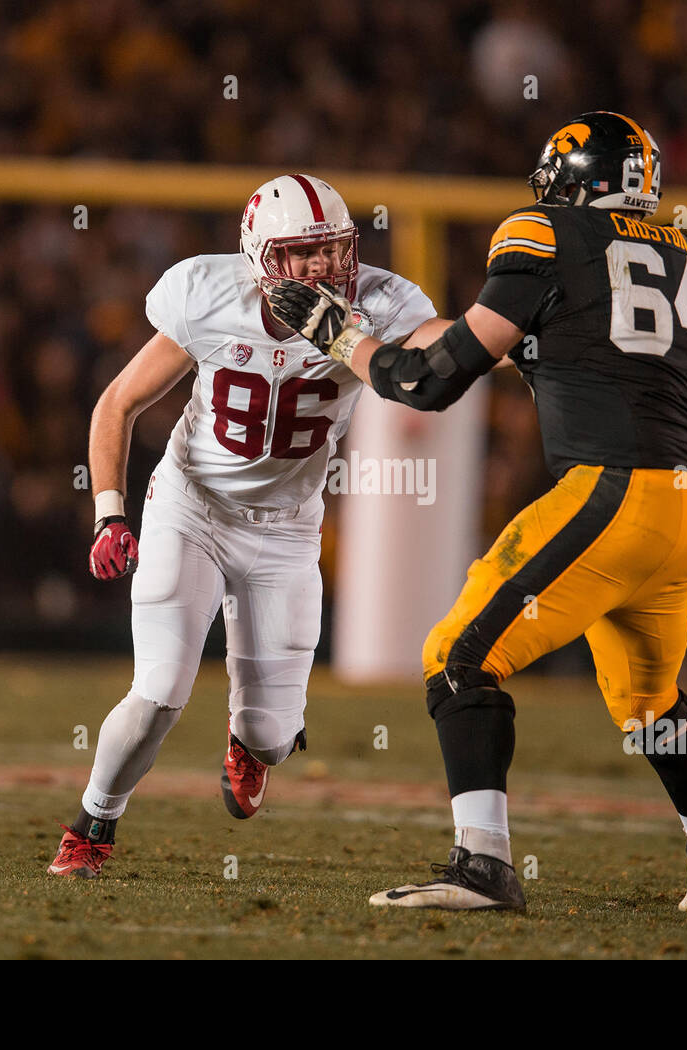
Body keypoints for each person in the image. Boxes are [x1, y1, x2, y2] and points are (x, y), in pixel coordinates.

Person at [270, 113, 687, 913]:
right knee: (648, 703)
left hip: (614, 491)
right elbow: (564, 346)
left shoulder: (542, 231)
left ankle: (483, 866)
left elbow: (429, 385)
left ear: (573, 180)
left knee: (457, 655)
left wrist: (344, 339)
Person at [47, 174, 442, 878]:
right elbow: (119, 403)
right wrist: (110, 512)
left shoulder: (381, 303)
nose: (325, 269)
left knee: (271, 736)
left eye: (334, 250)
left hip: (288, 529)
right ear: (260, 257)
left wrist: (511, 330)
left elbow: (445, 351)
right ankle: (92, 826)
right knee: (160, 691)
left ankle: (248, 739)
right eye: (303, 254)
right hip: (191, 508)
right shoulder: (207, 294)